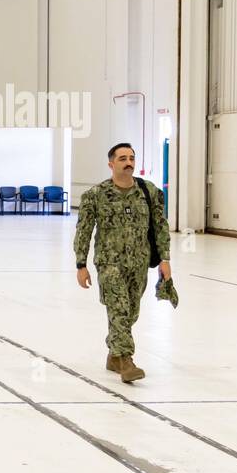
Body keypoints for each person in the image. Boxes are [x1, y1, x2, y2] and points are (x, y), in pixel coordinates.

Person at [74, 143, 172, 383]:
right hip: (109, 264)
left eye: (131, 158)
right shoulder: (95, 195)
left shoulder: (149, 191)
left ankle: (114, 355)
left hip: (139, 263)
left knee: (130, 312)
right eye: (122, 158)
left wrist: (165, 259)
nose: (128, 162)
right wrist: (81, 264)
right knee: (118, 308)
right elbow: (84, 231)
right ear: (111, 164)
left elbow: (160, 226)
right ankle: (126, 361)